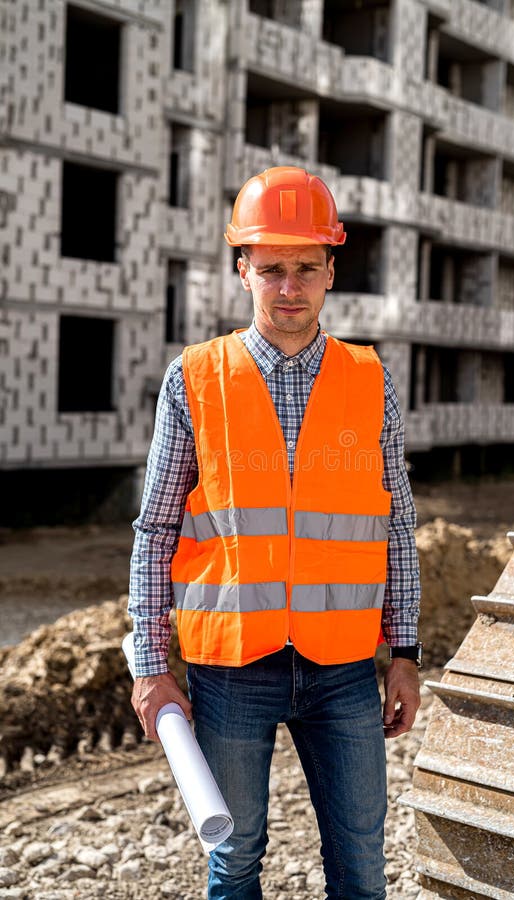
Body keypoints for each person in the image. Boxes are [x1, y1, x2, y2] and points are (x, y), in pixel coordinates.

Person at [129, 166, 421, 899]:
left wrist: (407, 651)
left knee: (359, 862)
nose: (287, 286)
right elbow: (157, 526)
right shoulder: (194, 377)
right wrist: (148, 662)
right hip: (231, 668)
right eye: (270, 269)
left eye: (304, 269)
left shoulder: (368, 378)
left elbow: (396, 522)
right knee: (235, 858)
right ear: (242, 270)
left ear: (330, 272)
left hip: (344, 668)